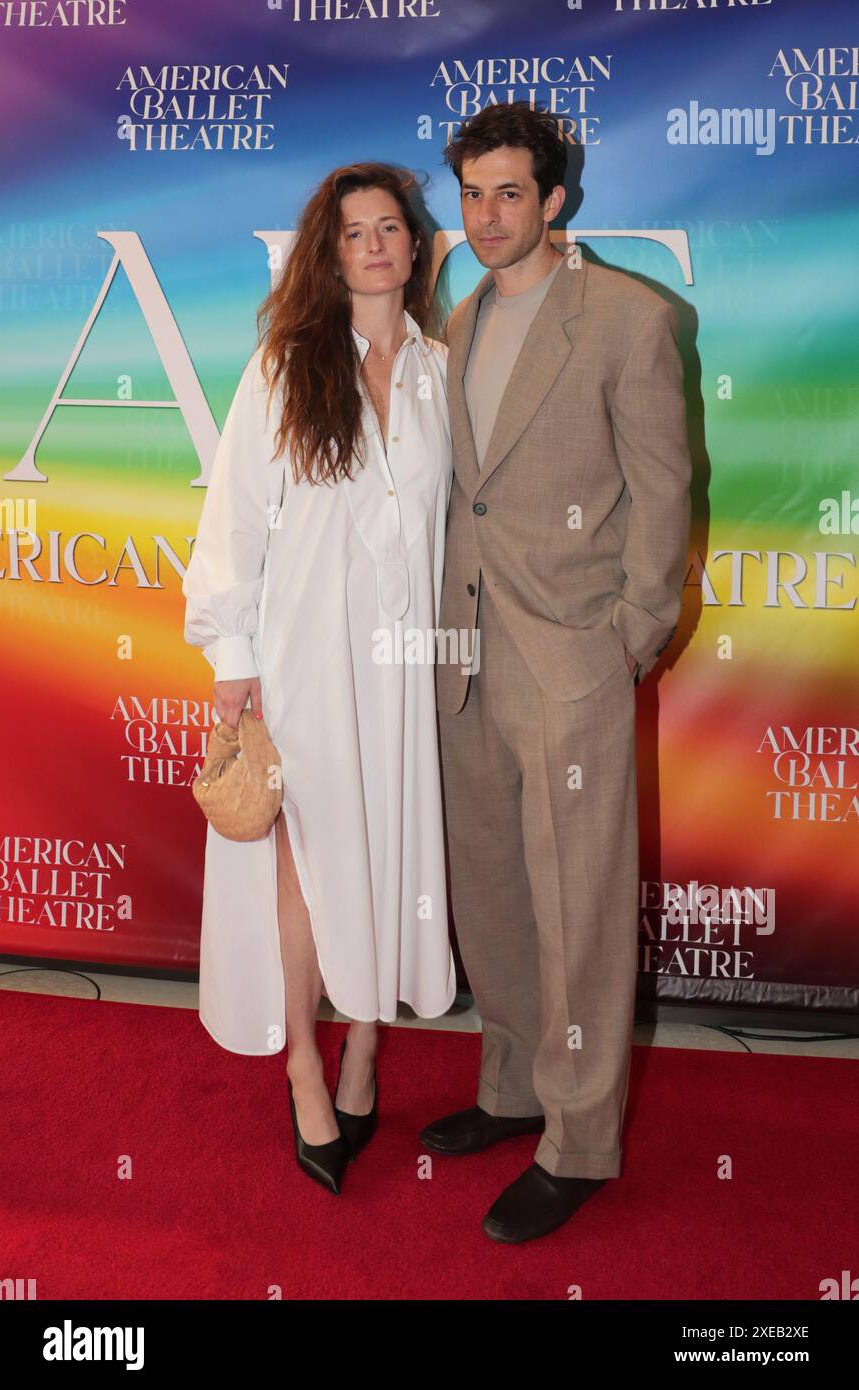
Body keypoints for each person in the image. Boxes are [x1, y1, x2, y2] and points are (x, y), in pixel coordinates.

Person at [421, 103, 692, 1243]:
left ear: (556, 202)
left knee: (575, 909)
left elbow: (664, 494)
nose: (486, 218)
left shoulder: (628, 321)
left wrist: (625, 636)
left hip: (570, 655)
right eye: (470, 195)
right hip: (462, 650)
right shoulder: (454, 319)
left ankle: (578, 1142)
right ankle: (512, 1087)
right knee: (489, 891)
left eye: (508, 195)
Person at [182, 163, 456, 1196]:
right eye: (354, 230)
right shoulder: (285, 366)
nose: (376, 243)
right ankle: (304, 1058)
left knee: (383, 862)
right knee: (304, 871)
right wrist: (231, 662)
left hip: (404, 674)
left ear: (415, 246)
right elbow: (233, 526)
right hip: (302, 663)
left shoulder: (438, 369)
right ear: (326, 251)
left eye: (392, 226)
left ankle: (366, 1049)